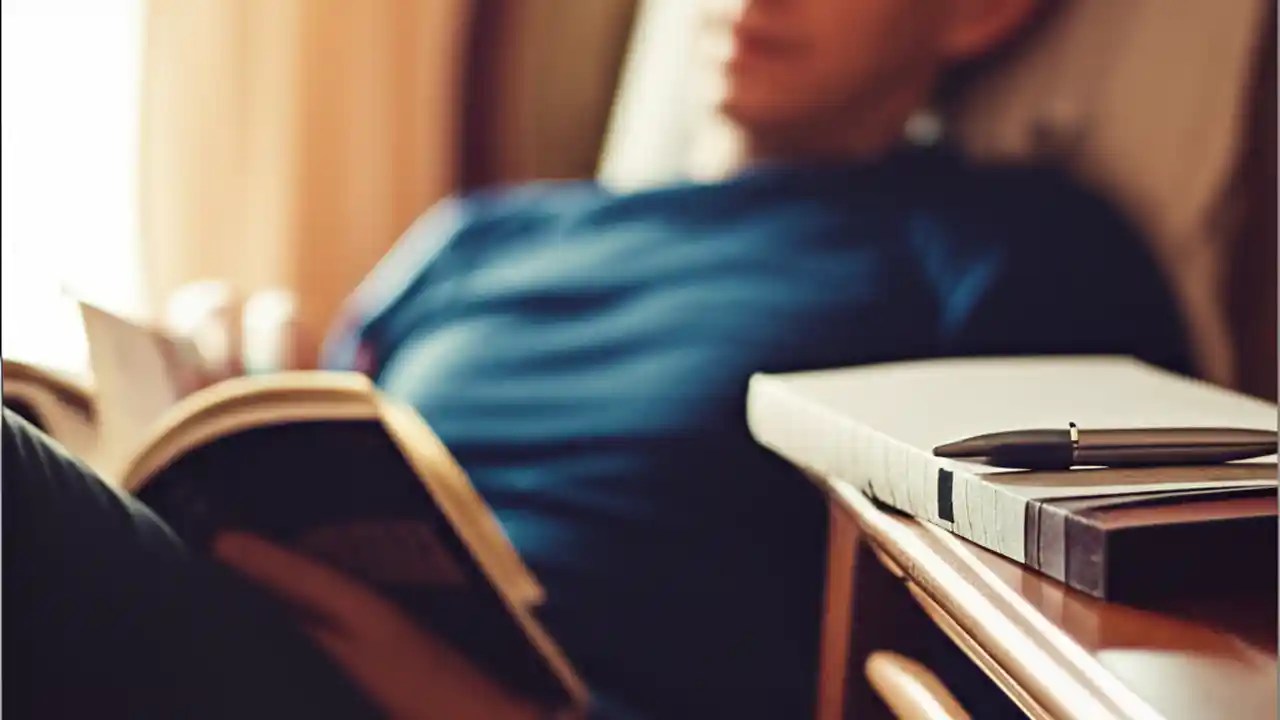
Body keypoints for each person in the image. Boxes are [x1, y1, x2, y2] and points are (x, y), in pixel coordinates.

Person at [4, 0, 1187, 718]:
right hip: (234, 634)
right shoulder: (487, 233)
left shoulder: (996, 249)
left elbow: (1027, 664)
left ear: (976, 12)